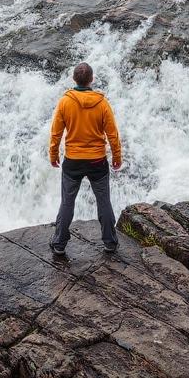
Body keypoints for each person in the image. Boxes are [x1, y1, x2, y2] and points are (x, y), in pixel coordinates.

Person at [48, 61, 122, 257]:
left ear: (74, 79)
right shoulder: (102, 103)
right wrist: (117, 157)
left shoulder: (65, 101)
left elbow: (56, 133)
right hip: (97, 160)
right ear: (92, 79)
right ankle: (110, 243)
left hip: (72, 160)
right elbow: (113, 135)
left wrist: (53, 154)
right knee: (104, 201)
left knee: (67, 203)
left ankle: (59, 243)